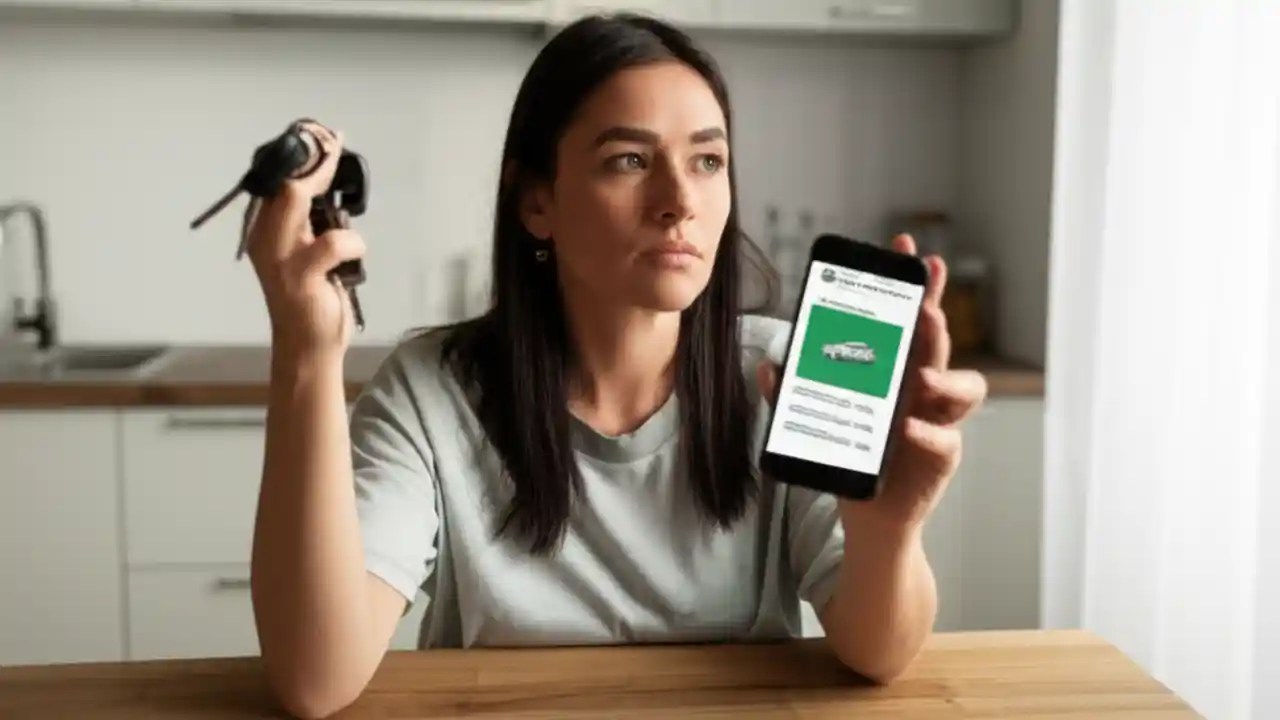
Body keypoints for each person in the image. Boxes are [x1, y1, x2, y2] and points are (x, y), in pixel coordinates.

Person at [244, 13, 987, 719]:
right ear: (538, 202)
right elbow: (316, 680)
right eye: (628, 160)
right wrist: (307, 353)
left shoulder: (779, 375)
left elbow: (879, 656)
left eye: (708, 160)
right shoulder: (430, 391)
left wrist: (888, 532)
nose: (679, 202)